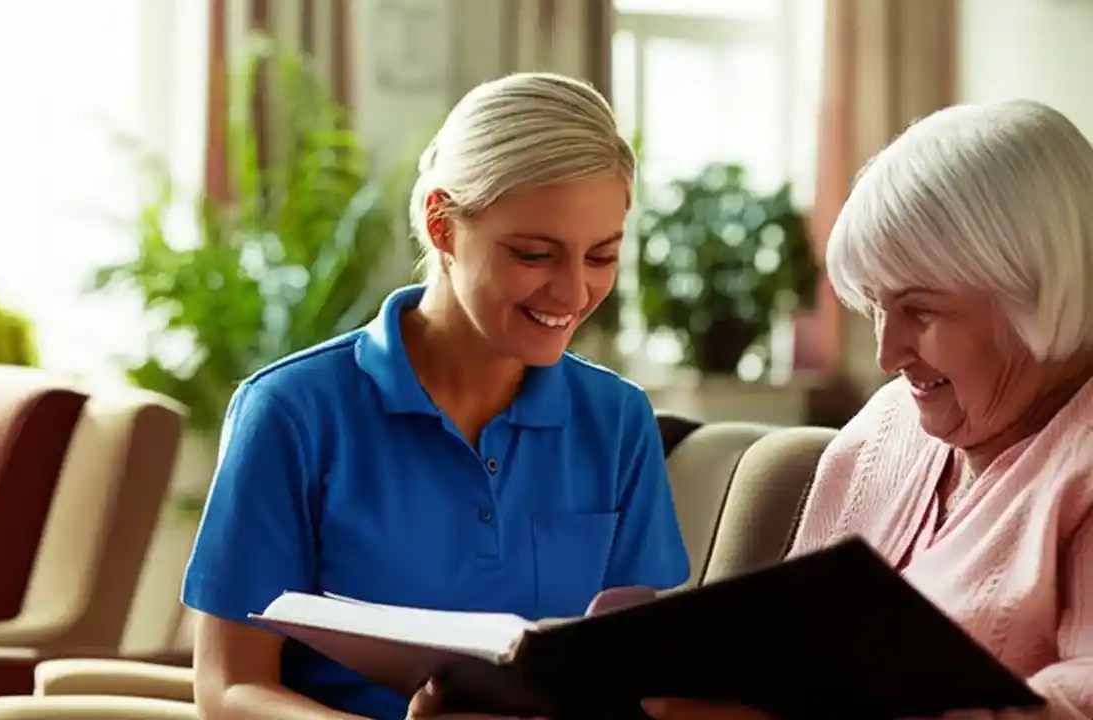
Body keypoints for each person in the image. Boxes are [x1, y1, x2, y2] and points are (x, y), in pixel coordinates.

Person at [415, 100, 1093, 719]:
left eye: (919, 310)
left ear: (1033, 291)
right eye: (876, 307)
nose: (888, 354)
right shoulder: (885, 429)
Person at [183, 71, 691, 720]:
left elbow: (626, 681)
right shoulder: (292, 413)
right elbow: (228, 687)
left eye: (601, 258)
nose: (572, 294)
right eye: (535, 254)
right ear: (443, 224)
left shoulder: (618, 422)